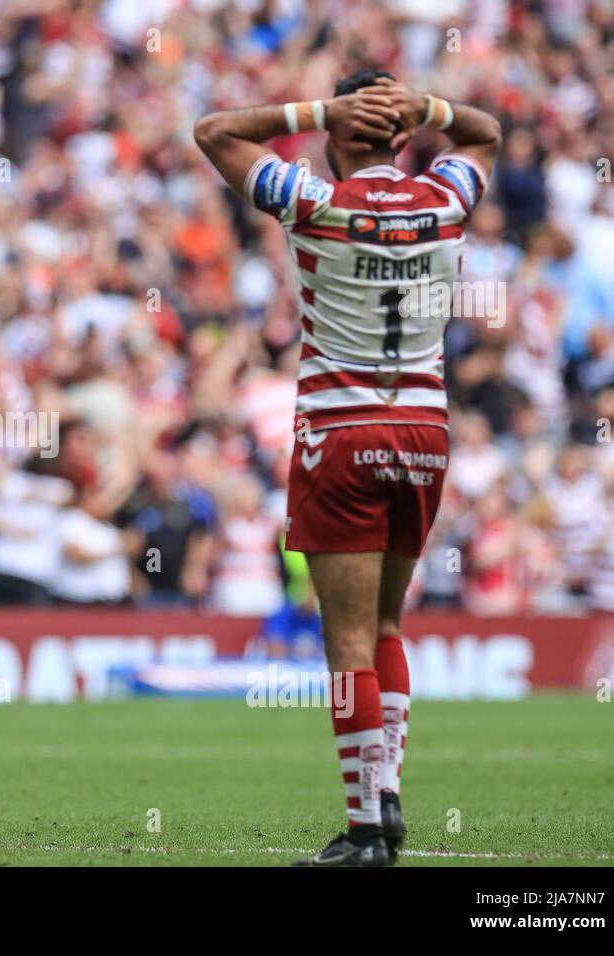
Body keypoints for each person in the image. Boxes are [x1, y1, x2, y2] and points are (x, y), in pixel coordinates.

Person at [195, 70, 500, 865]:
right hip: (425, 435)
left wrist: (312, 111)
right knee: (390, 625)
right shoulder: (444, 198)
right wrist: (431, 107)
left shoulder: (314, 200)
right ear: (404, 137)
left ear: (335, 140)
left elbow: (214, 130)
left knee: (347, 641)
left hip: (341, 433)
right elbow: (486, 132)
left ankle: (365, 829)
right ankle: (387, 796)